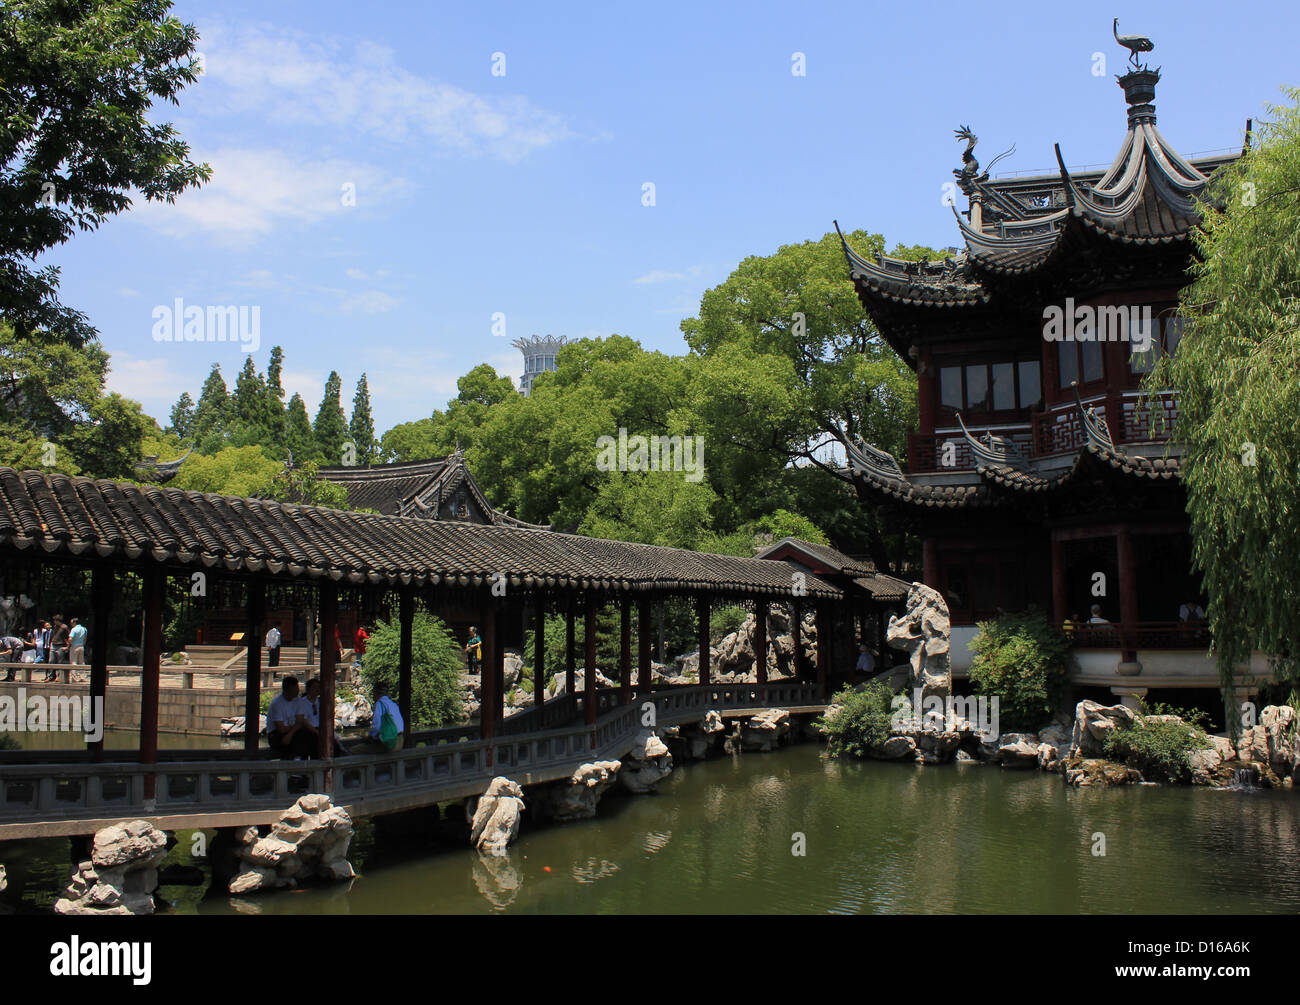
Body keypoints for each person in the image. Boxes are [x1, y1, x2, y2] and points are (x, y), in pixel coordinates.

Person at [266, 677, 313, 759]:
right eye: (294, 689)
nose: (297, 691)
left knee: (306, 736)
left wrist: (290, 733)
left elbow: (300, 722)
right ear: (286, 689)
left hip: (292, 731)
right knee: (290, 742)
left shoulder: (298, 701)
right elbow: (281, 728)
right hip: (275, 734)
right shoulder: (277, 704)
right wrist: (292, 728)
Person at [300, 677, 348, 756]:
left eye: (318, 688)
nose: (317, 690)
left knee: (334, 742)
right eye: (314, 687)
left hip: (320, 728)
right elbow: (303, 720)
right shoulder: (302, 702)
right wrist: (316, 732)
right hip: (309, 730)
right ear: (308, 689)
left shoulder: (320, 702)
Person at [360, 682, 404, 753]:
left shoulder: (380, 704)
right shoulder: (393, 704)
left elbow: (377, 726)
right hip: (400, 742)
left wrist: (370, 737)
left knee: (354, 750)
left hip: (390, 743)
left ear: (376, 692)